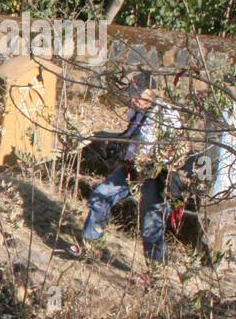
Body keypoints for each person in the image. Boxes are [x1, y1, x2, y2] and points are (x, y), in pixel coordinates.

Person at [73, 83, 181, 263]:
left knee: (151, 226)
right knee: (100, 197)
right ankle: (92, 247)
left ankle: (155, 274)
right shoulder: (137, 111)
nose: (134, 99)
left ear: (152, 93)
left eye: (140, 95)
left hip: (155, 175)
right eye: (133, 95)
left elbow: (170, 148)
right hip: (131, 169)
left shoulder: (166, 115)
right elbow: (129, 136)